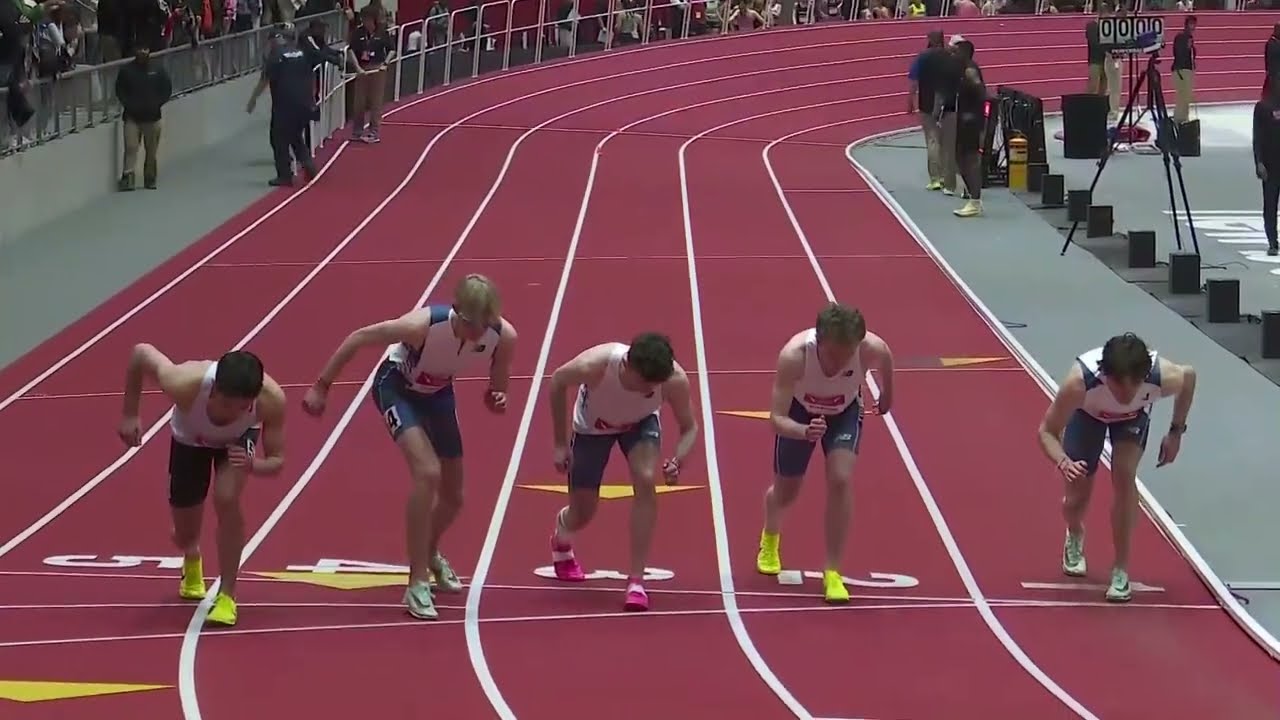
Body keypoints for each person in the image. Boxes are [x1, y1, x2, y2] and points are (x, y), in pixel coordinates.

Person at [302, 274, 517, 620]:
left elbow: (497, 388)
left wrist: (498, 397)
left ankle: (429, 552)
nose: (480, 334)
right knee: (427, 472)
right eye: (472, 325)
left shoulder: (503, 337)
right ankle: (416, 581)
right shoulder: (420, 326)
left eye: (486, 325)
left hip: (438, 393)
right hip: (397, 388)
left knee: (454, 496)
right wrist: (322, 386)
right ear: (457, 312)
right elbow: (359, 338)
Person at [118, 347, 287, 627]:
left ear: (253, 401)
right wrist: (130, 414)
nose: (231, 414)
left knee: (227, 498)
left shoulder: (272, 401)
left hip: (236, 445)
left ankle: (227, 596)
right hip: (190, 440)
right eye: (225, 405)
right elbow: (139, 354)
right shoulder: (184, 383)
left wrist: (252, 465)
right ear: (213, 391)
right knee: (184, 534)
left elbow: (277, 461)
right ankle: (192, 555)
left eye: (241, 408)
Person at [1036, 333, 1196, 603]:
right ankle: (1075, 531)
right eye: (1118, 389)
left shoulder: (1163, 377)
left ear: (1144, 377)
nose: (1126, 395)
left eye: (1133, 388)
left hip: (1131, 420)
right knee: (1077, 495)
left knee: (1124, 476)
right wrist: (1063, 462)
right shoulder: (1079, 384)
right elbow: (1046, 431)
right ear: (1105, 376)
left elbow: (1189, 376)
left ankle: (1120, 569)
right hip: (1087, 415)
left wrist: (1175, 432)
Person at [545, 334, 700, 612]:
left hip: (639, 425)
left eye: (653, 387)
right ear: (627, 365)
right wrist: (559, 443)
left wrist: (679, 459)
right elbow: (557, 382)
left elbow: (689, 427)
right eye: (643, 385)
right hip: (592, 428)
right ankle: (563, 533)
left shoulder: (673, 379)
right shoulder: (596, 365)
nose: (648, 391)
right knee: (583, 512)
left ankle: (636, 580)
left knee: (645, 477)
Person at [755, 303, 894, 604]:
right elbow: (776, 418)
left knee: (841, 478)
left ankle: (833, 571)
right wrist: (803, 431)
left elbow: (886, 361)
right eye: (832, 354)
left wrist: (887, 395)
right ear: (819, 340)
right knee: (786, 491)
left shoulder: (872, 348)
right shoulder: (794, 356)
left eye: (847, 354)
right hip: (800, 413)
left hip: (843, 412)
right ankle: (770, 535)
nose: (839, 362)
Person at [246, 26, 319, 187]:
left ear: (272, 41)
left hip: (284, 104)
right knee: (295, 135)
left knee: (278, 139)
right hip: (304, 102)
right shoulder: (300, 53)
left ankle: (285, 175)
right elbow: (311, 74)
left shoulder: (275, 56)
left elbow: (264, 80)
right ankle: (307, 162)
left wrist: (253, 100)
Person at [114, 41, 172, 191]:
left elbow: (166, 89)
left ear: (149, 50)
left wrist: (157, 103)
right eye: (139, 49)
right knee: (131, 147)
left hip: (153, 118)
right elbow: (120, 90)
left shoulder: (158, 69)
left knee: (151, 150)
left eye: (145, 49)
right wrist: (129, 104)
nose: (142, 52)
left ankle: (150, 178)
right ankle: (128, 177)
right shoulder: (126, 71)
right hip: (132, 117)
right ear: (135, 50)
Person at [345, 5, 395, 144]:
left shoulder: (382, 33)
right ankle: (357, 131)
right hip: (362, 68)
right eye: (364, 19)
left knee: (375, 102)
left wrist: (385, 63)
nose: (366, 22)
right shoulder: (358, 33)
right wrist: (357, 68)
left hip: (377, 68)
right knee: (359, 102)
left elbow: (391, 50)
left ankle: (374, 131)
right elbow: (351, 51)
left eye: (368, 19)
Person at [951, 37, 986, 218]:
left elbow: (981, 93)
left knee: (969, 160)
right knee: (960, 159)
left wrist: (972, 115)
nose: (953, 55)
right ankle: (973, 198)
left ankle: (975, 201)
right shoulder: (963, 70)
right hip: (965, 120)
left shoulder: (970, 70)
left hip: (970, 122)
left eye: (956, 52)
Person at [906, 29, 945, 191]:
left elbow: (914, 81)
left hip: (926, 101)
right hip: (946, 101)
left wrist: (910, 101)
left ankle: (935, 178)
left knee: (932, 139)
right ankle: (946, 176)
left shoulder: (922, 57)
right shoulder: (949, 56)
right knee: (946, 141)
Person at [1253, 78, 1280, 256]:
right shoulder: (1262, 108)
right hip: (1270, 166)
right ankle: (1272, 241)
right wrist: (1259, 162)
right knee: (1270, 205)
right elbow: (1258, 136)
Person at [1171, 15, 1196, 125]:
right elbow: (1178, 53)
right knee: (1182, 96)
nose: (1193, 26)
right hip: (1181, 69)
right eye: (1191, 24)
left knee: (1186, 96)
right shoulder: (1181, 37)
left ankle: (1184, 118)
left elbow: (1192, 55)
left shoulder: (1190, 38)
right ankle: (1178, 119)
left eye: (1194, 24)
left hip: (1187, 69)